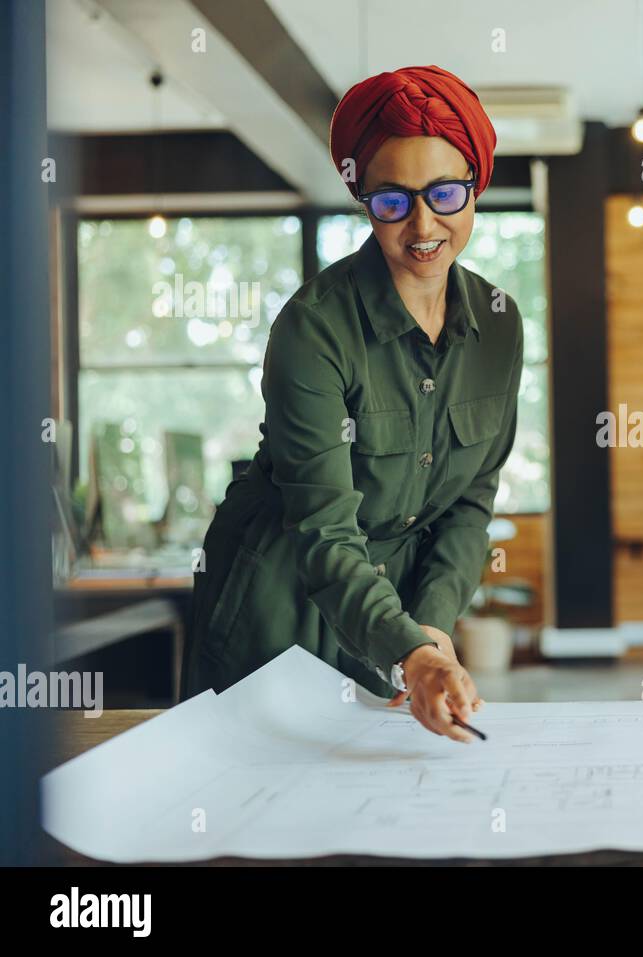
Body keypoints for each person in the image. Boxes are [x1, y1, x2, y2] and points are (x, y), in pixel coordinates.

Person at [182, 65, 523, 743]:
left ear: (476, 187)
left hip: (389, 614)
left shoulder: (500, 321)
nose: (423, 225)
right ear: (365, 199)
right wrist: (411, 650)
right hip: (278, 598)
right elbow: (323, 528)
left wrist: (428, 626)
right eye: (392, 200)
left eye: (445, 194)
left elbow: (469, 501)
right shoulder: (313, 328)